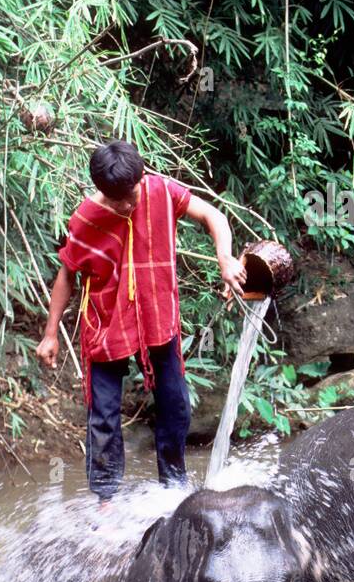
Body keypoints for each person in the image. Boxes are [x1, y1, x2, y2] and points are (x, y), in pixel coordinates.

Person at [35, 140, 246, 505]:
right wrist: (50, 333)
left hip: (156, 316)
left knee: (175, 404)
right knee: (102, 415)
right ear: (102, 192)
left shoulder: (160, 190)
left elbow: (214, 216)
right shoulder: (85, 219)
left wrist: (225, 259)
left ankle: (174, 487)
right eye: (121, 201)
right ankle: (105, 500)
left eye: (133, 194)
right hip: (106, 323)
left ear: (142, 176)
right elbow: (67, 276)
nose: (131, 205)